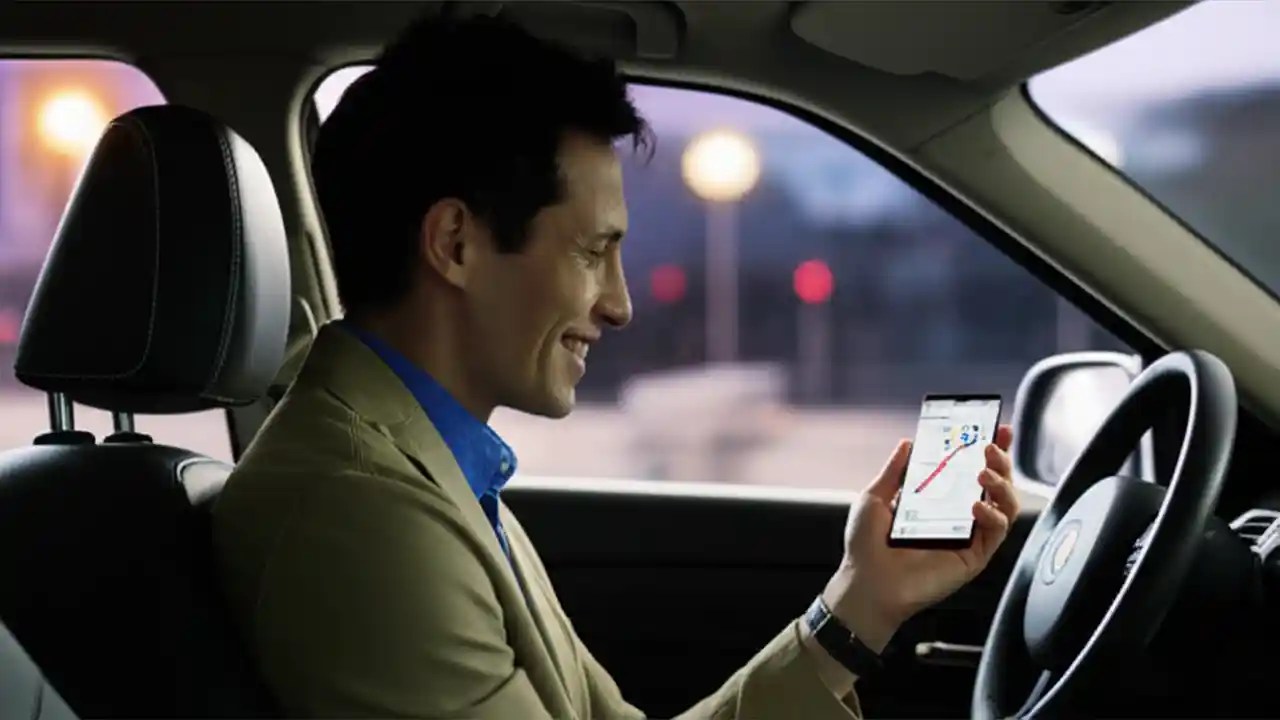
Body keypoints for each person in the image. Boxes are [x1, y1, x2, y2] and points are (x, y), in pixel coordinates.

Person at [212, 12, 1020, 720]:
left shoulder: (429, 470)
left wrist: (861, 602)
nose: (620, 305)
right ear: (455, 244)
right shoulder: (359, 512)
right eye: (593, 252)